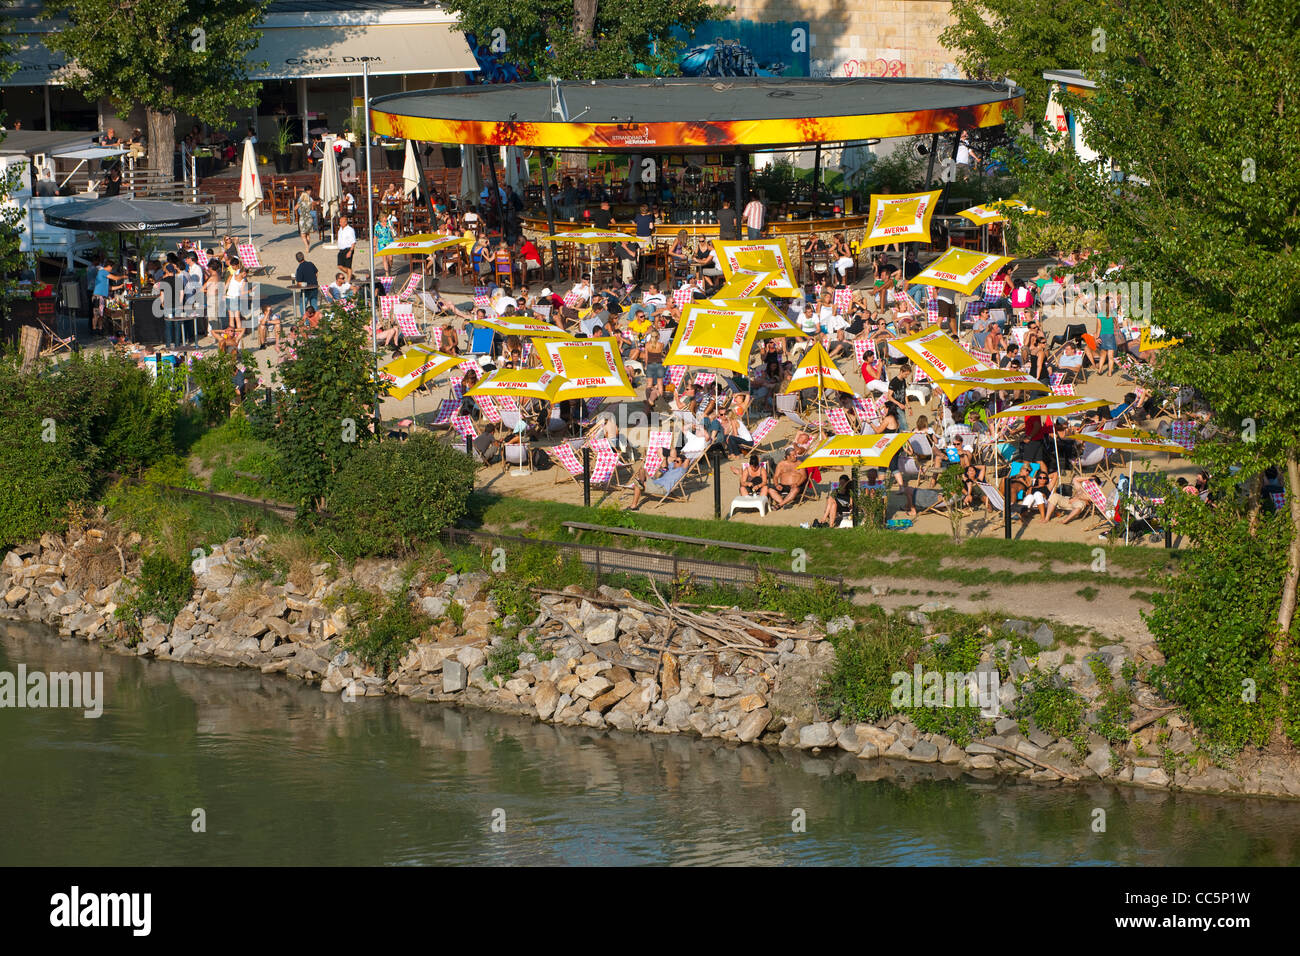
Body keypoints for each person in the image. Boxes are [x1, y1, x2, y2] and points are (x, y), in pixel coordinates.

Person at [335, 215, 356, 281]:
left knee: (348, 266)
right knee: (339, 266)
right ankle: (350, 275)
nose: (340, 223)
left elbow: (353, 242)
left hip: (348, 249)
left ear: (345, 222)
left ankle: (349, 281)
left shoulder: (350, 230)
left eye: (341, 222)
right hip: (341, 250)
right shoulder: (340, 229)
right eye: (340, 221)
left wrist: (350, 251)